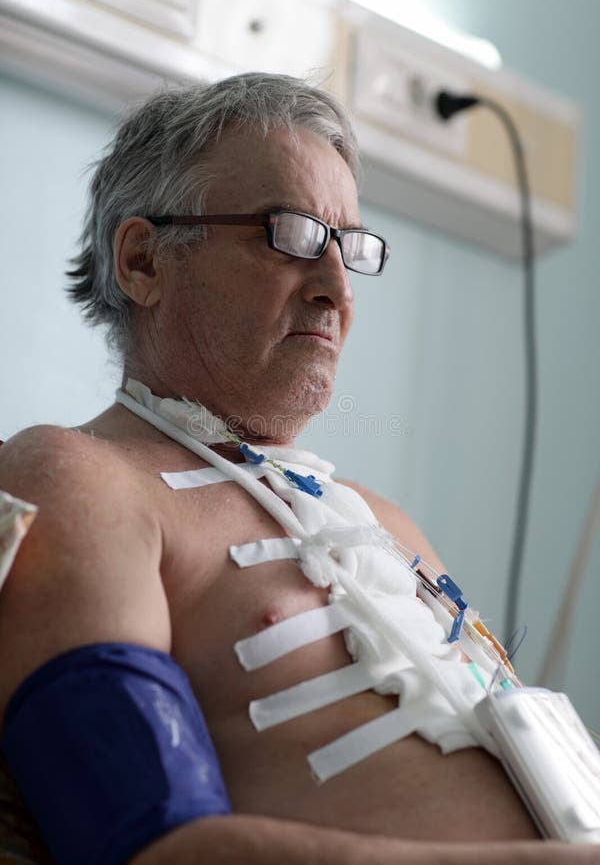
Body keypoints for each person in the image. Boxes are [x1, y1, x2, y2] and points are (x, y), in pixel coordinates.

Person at [0, 73, 596, 865]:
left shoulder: (385, 526)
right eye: (293, 234)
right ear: (143, 260)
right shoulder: (80, 477)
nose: (337, 288)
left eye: (349, 246)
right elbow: (144, 847)